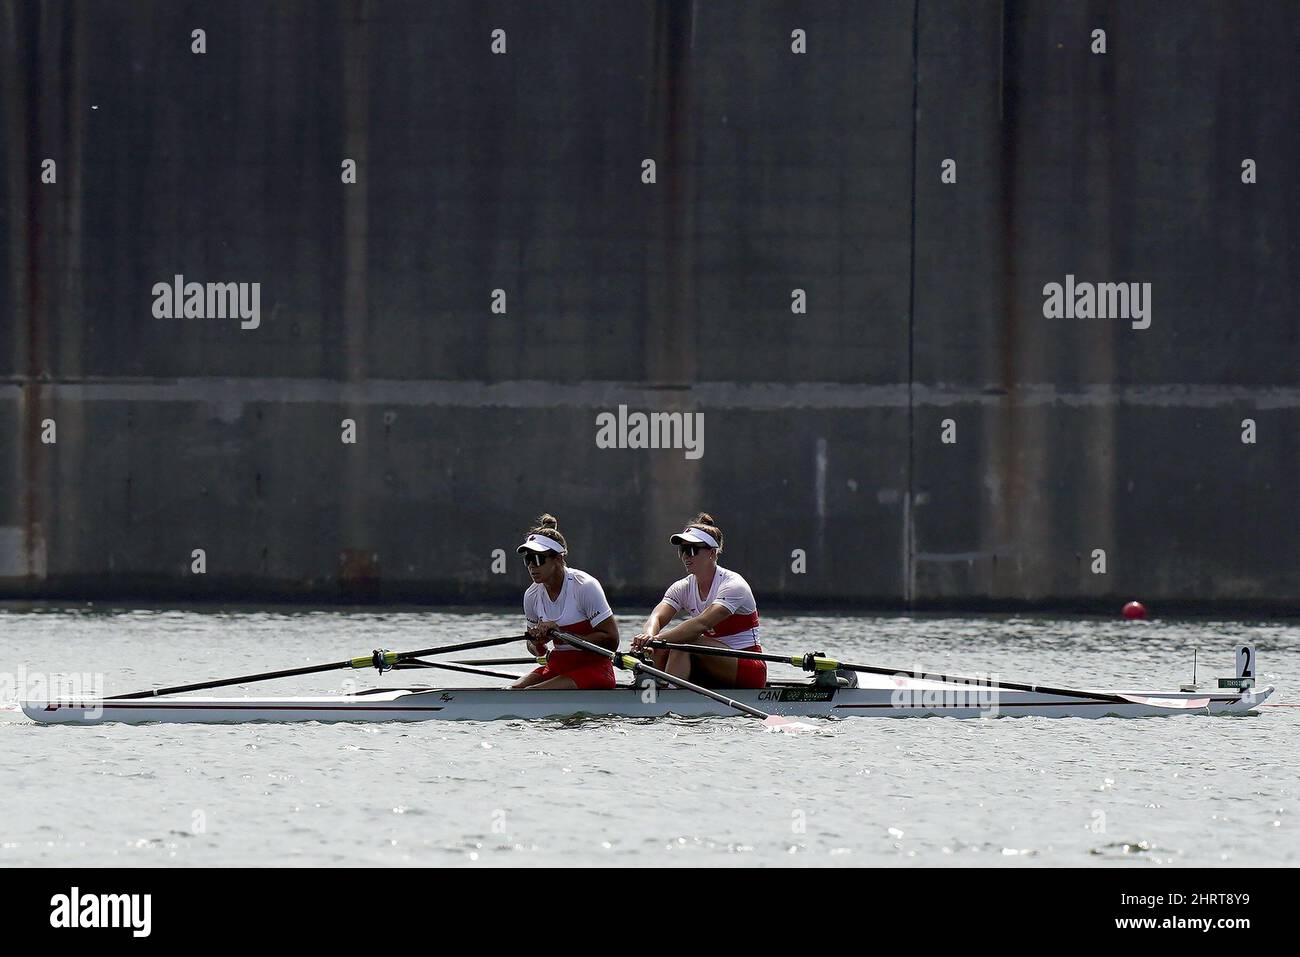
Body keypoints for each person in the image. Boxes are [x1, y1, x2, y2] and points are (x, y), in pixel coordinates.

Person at [629, 513, 766, 688]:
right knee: (660, 647)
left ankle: (666, 699)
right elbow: (657, 617)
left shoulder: (733, 585)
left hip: (749, 669)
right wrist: (648, 637)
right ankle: (657, 690)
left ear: (711, 553)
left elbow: (701, 624)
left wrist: (657, 641)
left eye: (692, 550)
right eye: (682, 550)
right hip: (711, 663)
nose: (686, 556)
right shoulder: (682, 587)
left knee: (683, 641)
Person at [511, 514, 619, 690]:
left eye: (538, 559)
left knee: (532, 694)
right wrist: (538, 644)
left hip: (594, 668)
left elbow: (612, 640)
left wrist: (562, 634)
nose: (532, 566)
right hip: (557, 666)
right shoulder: (531, 595)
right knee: (511, 691)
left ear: (558, 559)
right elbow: (535, 648)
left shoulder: (584, 586)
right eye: (528, 559)